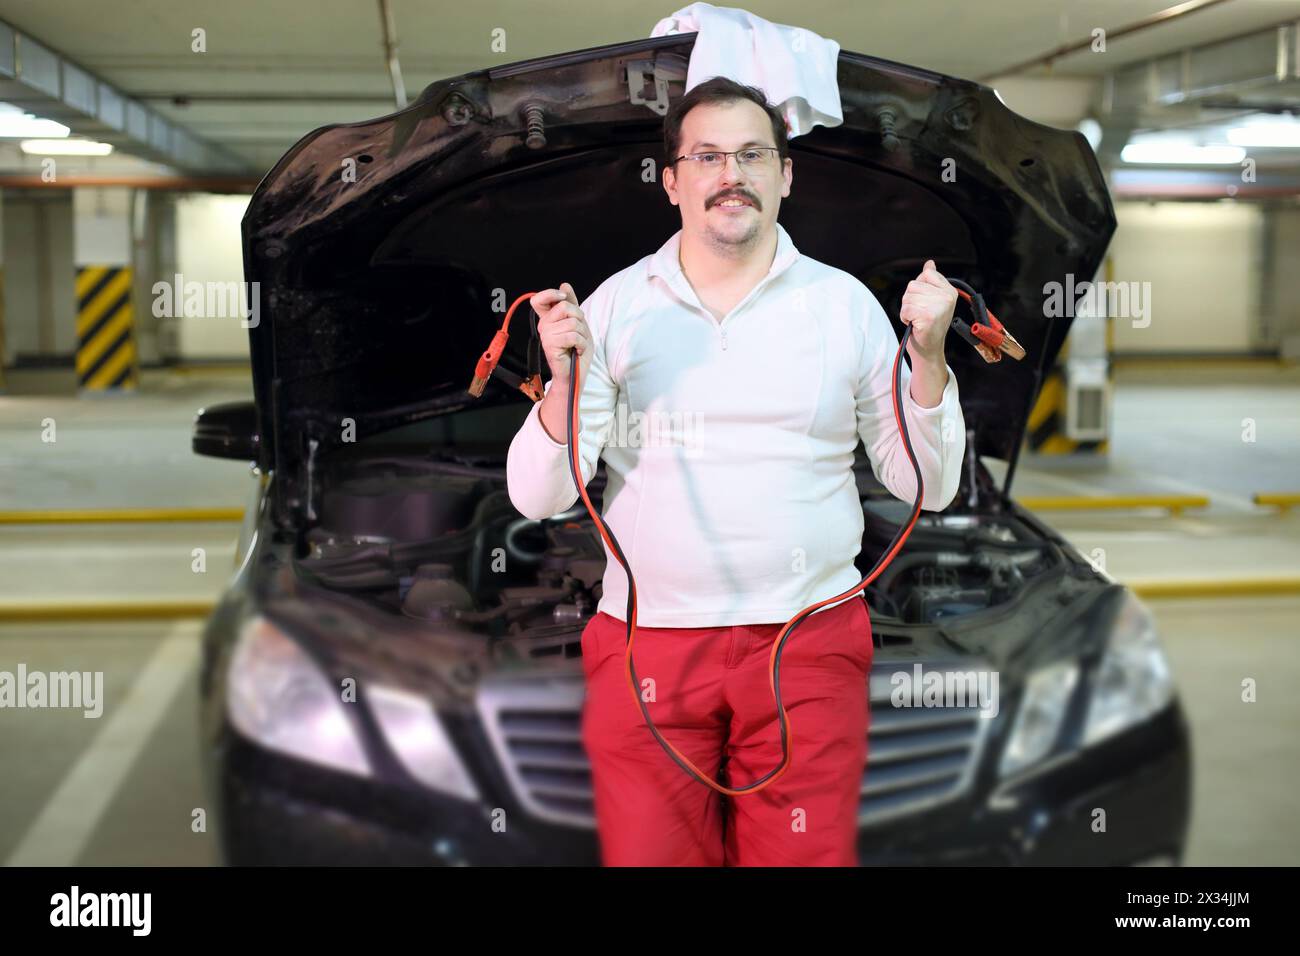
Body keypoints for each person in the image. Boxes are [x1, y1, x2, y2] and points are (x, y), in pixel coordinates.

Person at [506, 76, 965, 866]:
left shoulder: (843, 305)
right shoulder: (614, 310)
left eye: (754, 153)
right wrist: (560, 380)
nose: (732, 173)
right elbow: (539, 494)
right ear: (673, 181)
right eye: (709, 155)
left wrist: (927, 359)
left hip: (806, 644)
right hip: (647, 645)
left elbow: (927, 481)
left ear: (785, 175)